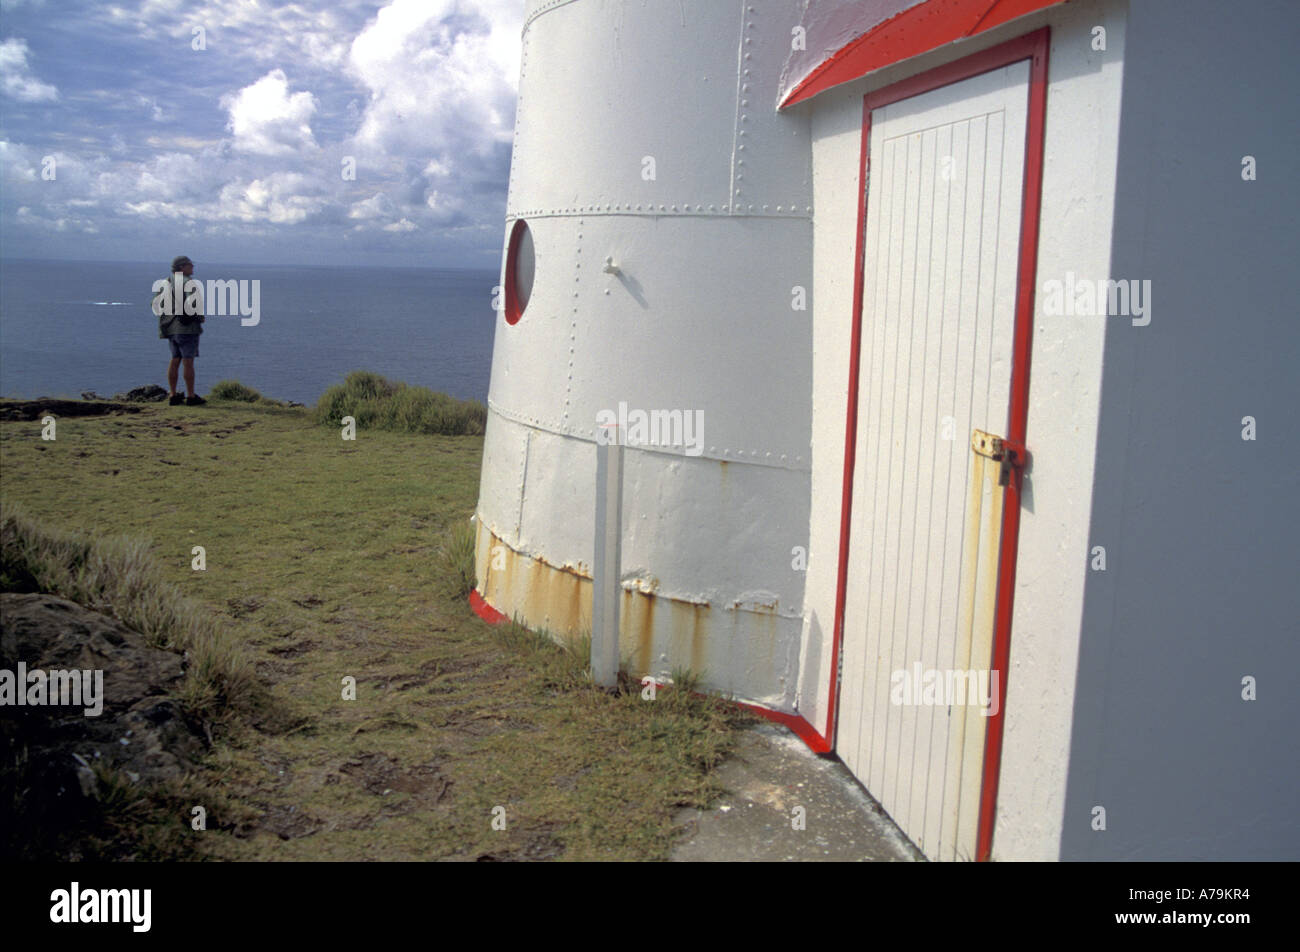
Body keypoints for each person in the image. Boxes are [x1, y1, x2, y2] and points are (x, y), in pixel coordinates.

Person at [154, 255, 206, 406]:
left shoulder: (166, 282)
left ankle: (173, 394)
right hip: (187, 328)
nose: (192, 268)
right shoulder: (187, 282)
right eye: (190, 265)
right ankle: (190, 396)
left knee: (175, 359)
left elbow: (155, 304)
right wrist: (198, 316)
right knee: (188, 361)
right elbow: (193, 302)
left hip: (171, 328)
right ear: (182, 267)